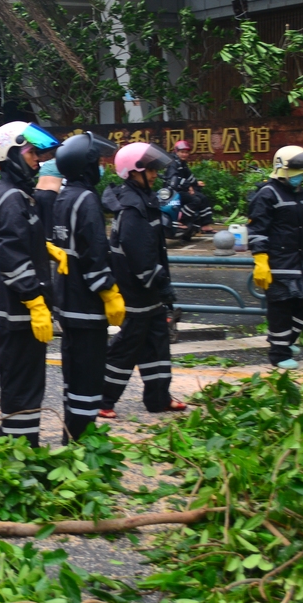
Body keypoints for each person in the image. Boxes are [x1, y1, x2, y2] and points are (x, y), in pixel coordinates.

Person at [0, 121, 62, 445]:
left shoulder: (16, 194)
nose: (37, 159)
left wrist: (43, 247)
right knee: (23, 387)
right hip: (18, 313)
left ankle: (18, 447)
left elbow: (17, 241)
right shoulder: (11, 198)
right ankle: (20, 456)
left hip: (17, 312)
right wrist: (35, 301)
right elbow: (9, 255)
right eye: (31, 152)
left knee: (24, 385)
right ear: (11, 153)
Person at [101, 143, 187, 418]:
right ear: (133, 172)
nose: (154, 175)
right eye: (149, 170)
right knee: (128, 346)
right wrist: (160, 283)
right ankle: (103, 400)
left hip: (148, 290)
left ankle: (158, 398)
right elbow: (140, 254)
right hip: (137, 290)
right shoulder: (132, 207)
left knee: (158, 344)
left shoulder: (143, 200)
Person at [49, 133, 125, 443]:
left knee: (74, 377)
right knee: (89, 380)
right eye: (96, 163)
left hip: (67, 303)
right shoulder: (87, 199)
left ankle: (73, 437)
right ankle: (80, 443)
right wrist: (109, 292)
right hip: (87, 307)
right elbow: (94, 253)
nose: (100, 168)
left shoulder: (64, 197)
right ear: (85, 167)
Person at [248, 146, 303, 369]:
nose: (300, 177)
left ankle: (286, 341)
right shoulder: (267, 194)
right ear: (282, 169)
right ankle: (279, 354)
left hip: (299, 259)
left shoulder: (299, 193)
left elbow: (302, 227)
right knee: (281, 306)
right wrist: (261, 260)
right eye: (296, 172)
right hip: (278, 262)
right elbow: (257, 231)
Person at [164, 140, 214, 233]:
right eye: (182, 152)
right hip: (174, 192)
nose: (184, 154)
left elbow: (188, 176)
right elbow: (174, 179)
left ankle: (205, 224)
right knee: (195, 200)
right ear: (176, 151)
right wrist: (189, 186)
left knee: (203, 198)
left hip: (182, 189)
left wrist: (196, 183)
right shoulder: (173, 163)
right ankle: (180, 219)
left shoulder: (182, 163)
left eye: (186, 152)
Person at [34, 157, 63, 237]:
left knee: (39, 225)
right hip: (50, 195)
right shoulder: (62, 162)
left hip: (37, 193)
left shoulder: (46, 163)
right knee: (49, 227)